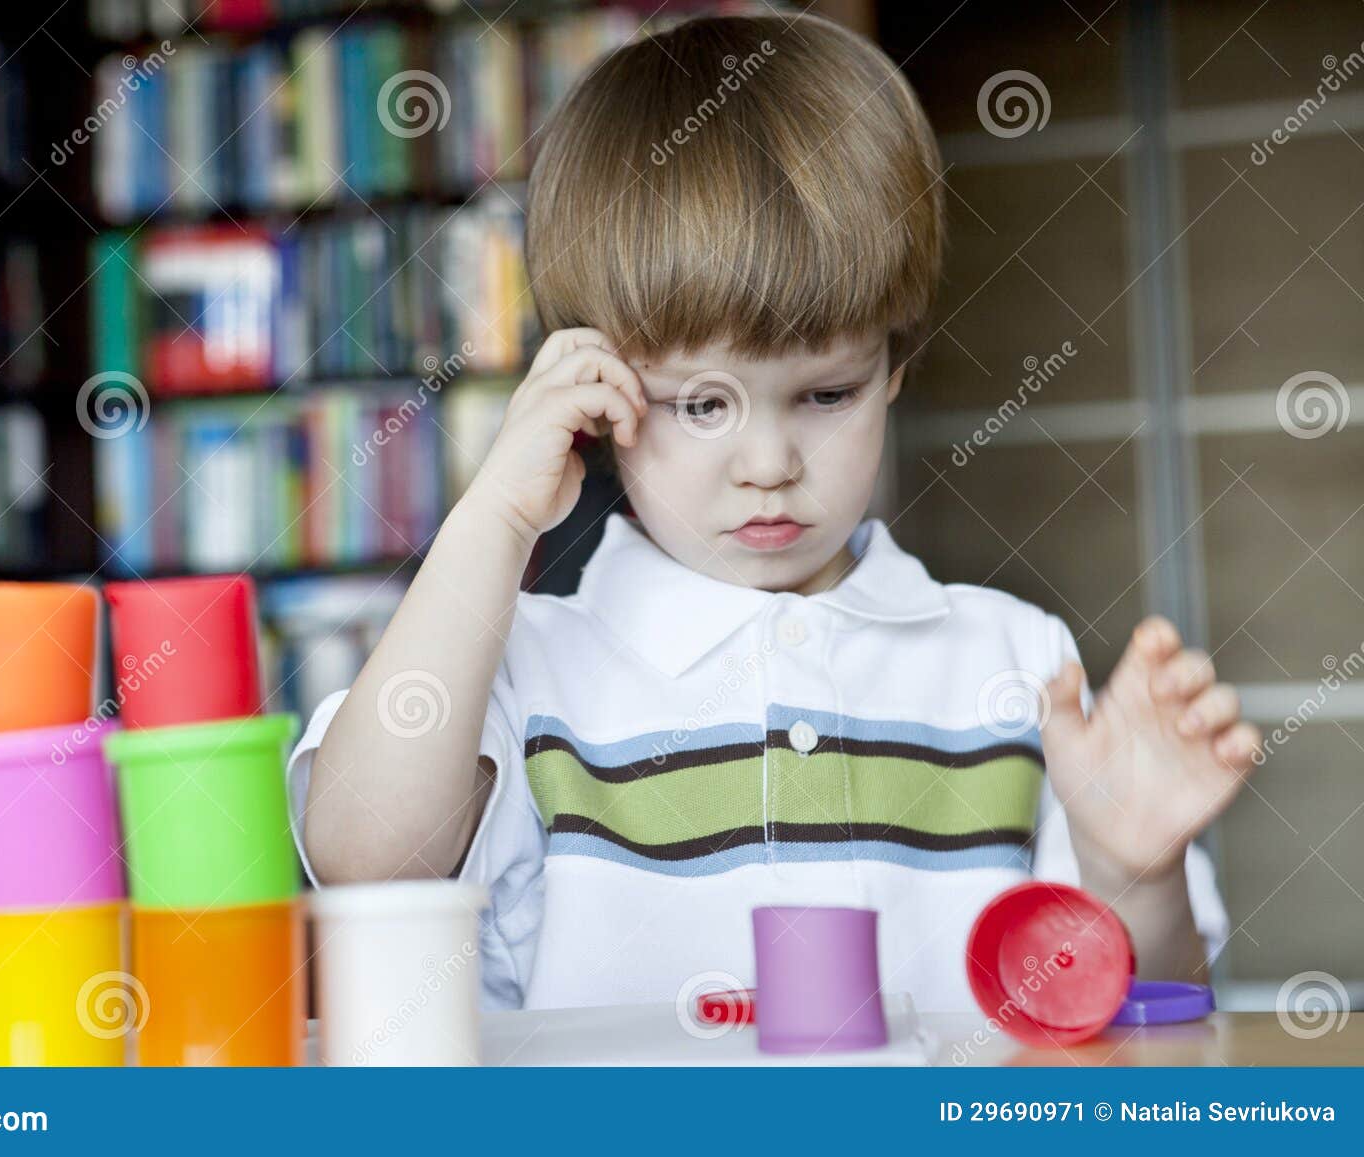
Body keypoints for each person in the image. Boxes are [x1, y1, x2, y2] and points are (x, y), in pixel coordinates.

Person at [289, 12, 1260, 1012]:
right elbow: (367, 857)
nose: (768, 465)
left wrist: (1132, 872)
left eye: (826, 393)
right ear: (595, 388)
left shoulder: (1016, 664)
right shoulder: (522, 669)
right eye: (700, 405)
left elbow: (1147, 1019)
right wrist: (493, 517)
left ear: (893, 366)